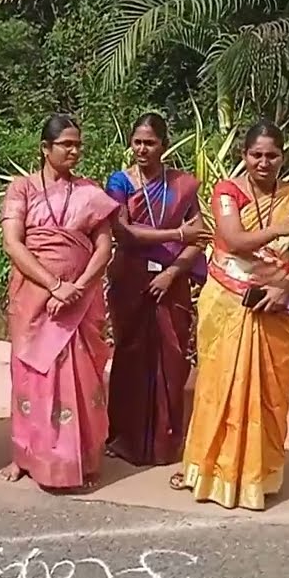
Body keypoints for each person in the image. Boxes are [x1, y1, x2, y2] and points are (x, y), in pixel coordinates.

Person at [169, 120, 289, 511]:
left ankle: (258, 476)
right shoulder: (227, 192)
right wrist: (279, 229)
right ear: (244, 155)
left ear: (283, 157)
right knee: (219, 387)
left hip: (277, 304)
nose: (264, 162)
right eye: (256, 155)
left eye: (272, 155)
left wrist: (286, 286)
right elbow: (234, 240)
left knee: (269, 395)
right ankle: (208, 471)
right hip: (228, 302)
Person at [0, 114, 118, 490]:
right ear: (45, 148)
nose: (74, 151)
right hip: (34, 299)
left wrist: (76, 288)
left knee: (80, 378)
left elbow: (103, 247)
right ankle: (26, 456)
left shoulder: (90, 191)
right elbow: (12, 243)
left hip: (80, 300)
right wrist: (53, 285)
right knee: (32, 377)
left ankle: (81, 459)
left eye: (78, 144)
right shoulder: (22, 189)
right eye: (66, 144)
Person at [104, 113, 211, 466]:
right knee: (130, 356)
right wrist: (177, 234)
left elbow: (200, 236)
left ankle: (165, 443)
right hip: (130, 279)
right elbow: (123, 231)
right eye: (137, 142)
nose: (142, 149)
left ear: (164, 145)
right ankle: (126, 440)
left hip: (172, 281)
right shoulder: (120, 182)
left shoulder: (182, 184)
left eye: (149, 143)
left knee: (172, 358)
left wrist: (173, 273)